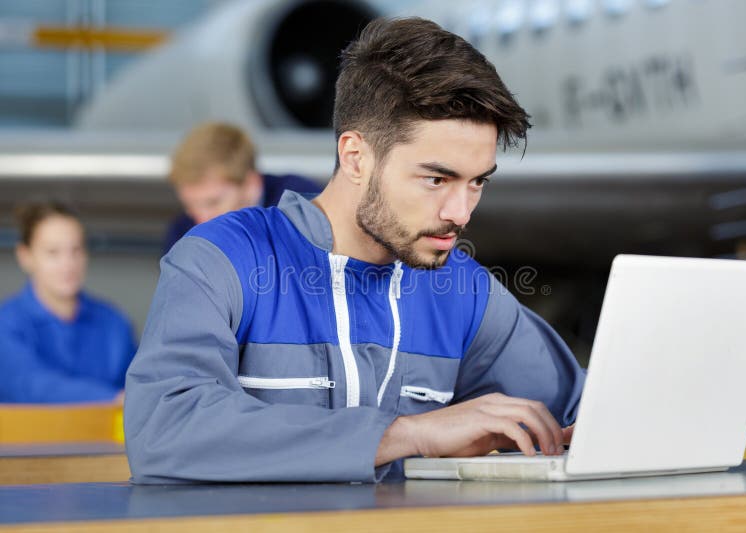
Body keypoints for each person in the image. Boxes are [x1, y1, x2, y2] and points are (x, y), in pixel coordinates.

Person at [125, 17, 585, 483]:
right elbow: (164, 427)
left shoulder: (465, 291)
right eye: (437, 179)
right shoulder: (217, 259)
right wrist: (410, 434)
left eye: (477, 182)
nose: (461, 213)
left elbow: (586, 415)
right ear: (355, 157)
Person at [0, 202, 137, 403]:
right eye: (53, 252)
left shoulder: (113, 322)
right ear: (25, 256)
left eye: (76, 250)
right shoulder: (7, 325)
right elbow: (32, 387)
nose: (68, 264)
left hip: (105, 435)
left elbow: (141, 383)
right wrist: (113, 398)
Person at [162, 122, 321, 254]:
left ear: (251, 184)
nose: (201, 219)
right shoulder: (183, 234)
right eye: (190, 206)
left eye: (213, 202)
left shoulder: (302, 205)